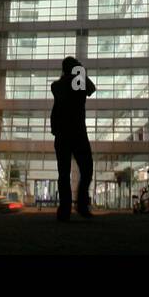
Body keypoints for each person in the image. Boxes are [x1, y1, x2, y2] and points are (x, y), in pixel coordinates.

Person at [50, 56, 96, 221]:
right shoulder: (76, 83)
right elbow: (91, 88)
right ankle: (81, 205)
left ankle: (65, 210)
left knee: (64, 173)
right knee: (86, 169)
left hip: (63, 134)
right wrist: (81, 71)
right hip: (77, 133)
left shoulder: (57, 85)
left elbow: (89, 89)